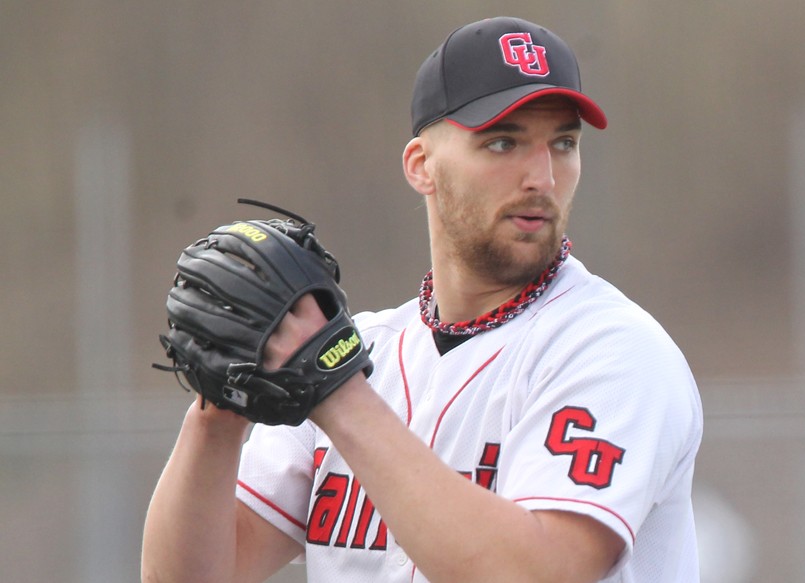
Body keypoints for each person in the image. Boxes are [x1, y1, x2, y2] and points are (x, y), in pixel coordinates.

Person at [141, 16, 703, 583]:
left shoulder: (613, 353)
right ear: (421, 166)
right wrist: (217, 416)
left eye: (563, 143)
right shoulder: (368, 351)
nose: (542, 176)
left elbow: (538, 573)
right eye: (503, 142)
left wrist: (334, 388)